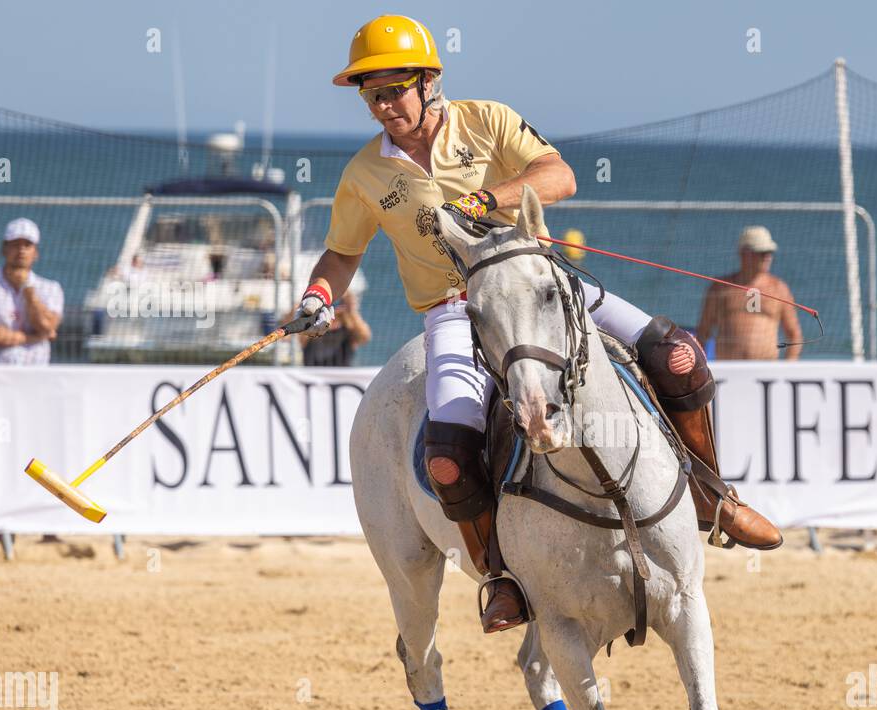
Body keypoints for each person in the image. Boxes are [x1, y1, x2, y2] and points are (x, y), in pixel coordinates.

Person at [293, 15, 782, 633]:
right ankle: (500, 575)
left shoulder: (488, 121)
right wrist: (317, 295)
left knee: (677, 353)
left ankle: (714, 497)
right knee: (446, 452)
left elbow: (559, 176)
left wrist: (482, 200)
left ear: (427, 82)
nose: (387, 106)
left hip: (540, 286)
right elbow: (342, 253)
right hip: (453, 309)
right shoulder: (366, 174)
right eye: (374, 95)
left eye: (396, 89)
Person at [0, 218, 63, 364]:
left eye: (27, 245)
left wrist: (28, 291)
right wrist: (34, 338)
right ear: (4, 249)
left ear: (36, 252)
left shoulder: (51, 288)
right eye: (15, 245)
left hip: (36, 377)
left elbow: (47, 326)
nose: (21, 250)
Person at [696, 226, 802, 360]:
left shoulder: (779, 288)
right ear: (744, 253)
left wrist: (789, 366)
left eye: (770, 252)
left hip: (766, 371)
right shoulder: (720, 288)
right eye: (762, 252)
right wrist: (701, 369)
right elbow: (703, 331)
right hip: (729, 370)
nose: (767, 257)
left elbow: (794, 334)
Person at [302, 289, 371, 367]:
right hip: (313, 375)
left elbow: (365, 337)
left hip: (340, 375)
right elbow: (302, 337)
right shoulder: (313, 326)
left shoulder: (350, 329)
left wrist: (352, 311)